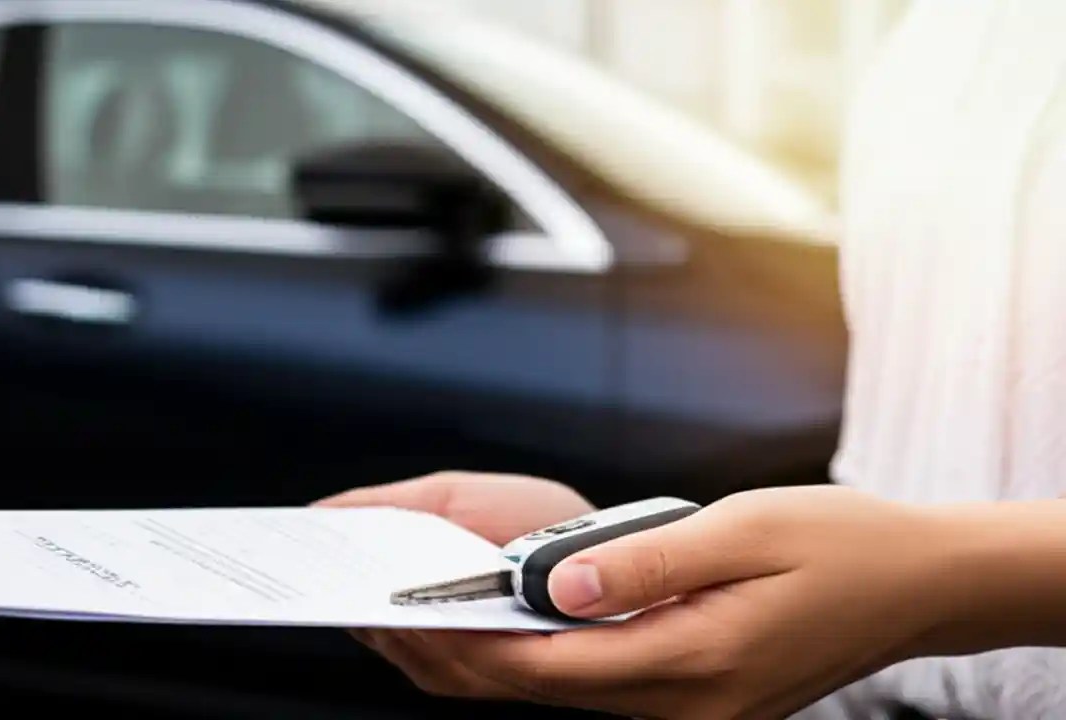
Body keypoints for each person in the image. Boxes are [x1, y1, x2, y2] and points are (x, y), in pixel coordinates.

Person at [315, 1, 1066, 718]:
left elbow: (919, 567)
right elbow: (910, 480)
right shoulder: (937, 40)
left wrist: (944, 580)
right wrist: (632, 578)